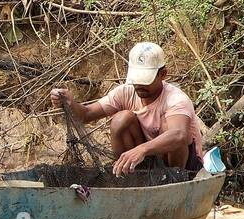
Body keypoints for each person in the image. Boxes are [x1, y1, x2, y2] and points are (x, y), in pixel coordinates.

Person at [50, 42, 206, 176]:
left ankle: (174, 180)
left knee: (169, 129)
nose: (139, 85)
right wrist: (70, 102)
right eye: (137, 79)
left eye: (146, 80)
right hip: (149, 162)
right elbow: (86, 114)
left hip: (183, 166)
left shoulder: (176, 99)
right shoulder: (125, 92)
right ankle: (134, 176)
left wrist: (142, 149)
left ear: (163, 74)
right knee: (121, 119)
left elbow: (179, 135)